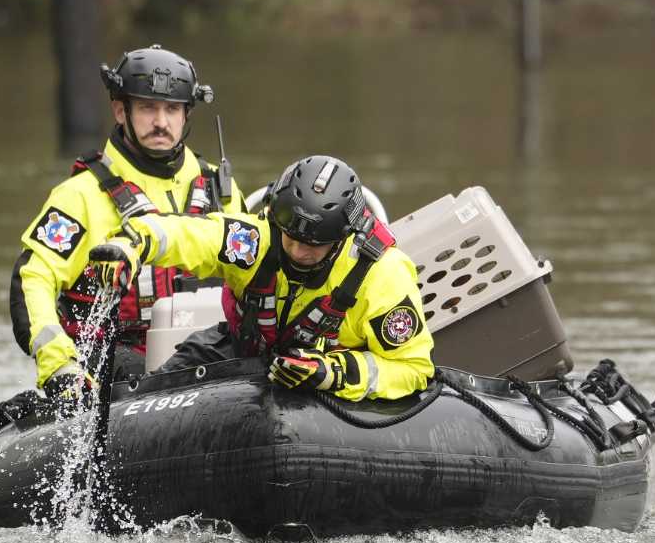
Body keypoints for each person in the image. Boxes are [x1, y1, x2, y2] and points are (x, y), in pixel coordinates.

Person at [89, 154, 434, 401]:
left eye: (315, 245)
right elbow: (183, 234)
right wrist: (130, 245)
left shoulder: (382, 275)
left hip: (331, 375)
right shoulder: (251, 240)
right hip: (242, 348)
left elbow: (414, 368)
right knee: (148, 398)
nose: (299, 252)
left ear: (342, 237)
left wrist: (332, 372)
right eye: (292, 238)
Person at [10, 45, 242, 400]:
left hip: (212, 357)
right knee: (131, 369)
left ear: (186, 114)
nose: (161, 122)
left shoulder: (220, 191)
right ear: (121, 110)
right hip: (114, 367)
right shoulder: (81, 195)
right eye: (148, 108)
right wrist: (58, 364)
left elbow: (258, 273)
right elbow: (34, 279)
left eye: (172, 109)